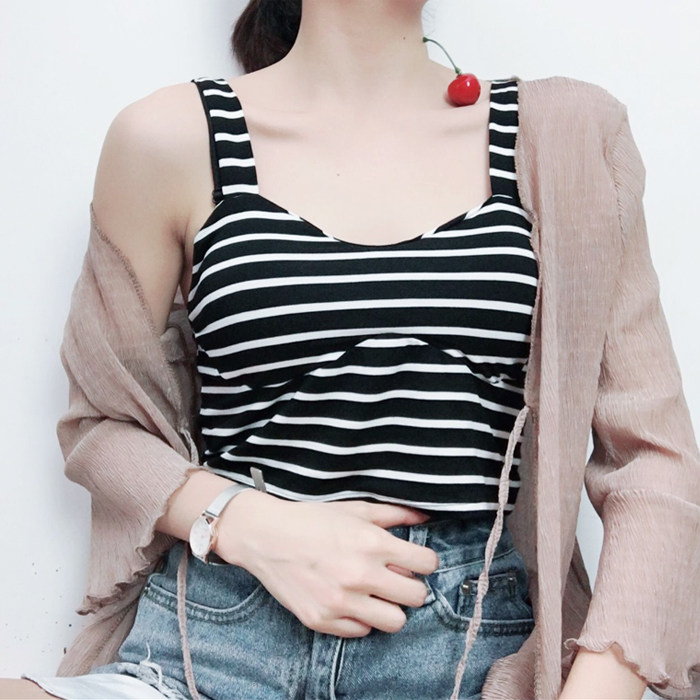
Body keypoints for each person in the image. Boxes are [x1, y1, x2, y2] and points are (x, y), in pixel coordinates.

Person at [5, 1, 700, 699]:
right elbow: (101, 425)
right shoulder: (167, 137)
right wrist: (247, 525)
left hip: (467, 663)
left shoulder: (567, 137)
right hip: (207, 648)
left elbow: (653, 460)